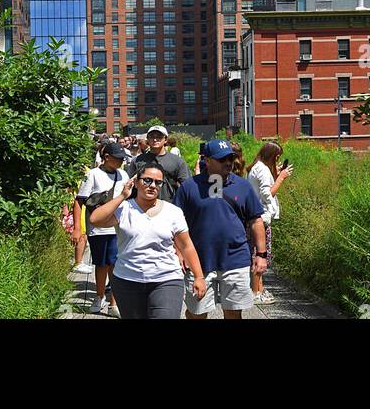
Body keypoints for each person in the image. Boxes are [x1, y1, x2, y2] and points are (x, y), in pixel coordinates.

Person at [90, 162, 207, 320]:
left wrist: (199, 276)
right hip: (127, 280)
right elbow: (95, 219)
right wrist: (122, 196)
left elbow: (186, 246)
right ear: (136, 182)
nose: (152, 185)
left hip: (166, 279)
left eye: (158, 182)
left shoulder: (173, 212)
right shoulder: (124, 209)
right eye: (147, 180)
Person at [175, 137, 267, 320]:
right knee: (196, 313)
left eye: (230, 158)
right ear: (207, 160)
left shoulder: (243, 186)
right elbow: (175, 222)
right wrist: (178, 251)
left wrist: (261, 254)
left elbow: (256, 220)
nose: (228, 163)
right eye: (222, 159)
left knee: (233, 313)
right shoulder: (189, 187)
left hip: (235, 259)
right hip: (199, 261)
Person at [77, 140, 128, 315]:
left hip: (117, 227)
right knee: (101, 263)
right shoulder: (92, 174)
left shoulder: (123, 175)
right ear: (107, 157)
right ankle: (99, 297)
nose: (121, 162)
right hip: (97, 227)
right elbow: (80, 200)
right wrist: (78, 227)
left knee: (116, 263)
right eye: (118, 158)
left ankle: (114, 303)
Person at [247, 142, 293, 304]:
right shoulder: (263, 170)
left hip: (256, 216)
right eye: (277, 156)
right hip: (261, 218)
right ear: (272, 155)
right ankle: (255, 291)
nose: (278, 159)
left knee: (258, 253)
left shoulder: (257, 167)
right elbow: (268, 195)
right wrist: (281, 178)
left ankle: (259, 288)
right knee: (260, 254)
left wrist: (276, 174)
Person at [127, 123, 190, 201]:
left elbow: (187, 186)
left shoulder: (178, 161)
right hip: (142, 206)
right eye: (152, 137)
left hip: (168, 205)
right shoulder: (137, 160)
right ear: (147, 139)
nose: (155, 139)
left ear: (165, 139)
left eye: (159, 137)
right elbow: (128, 183)